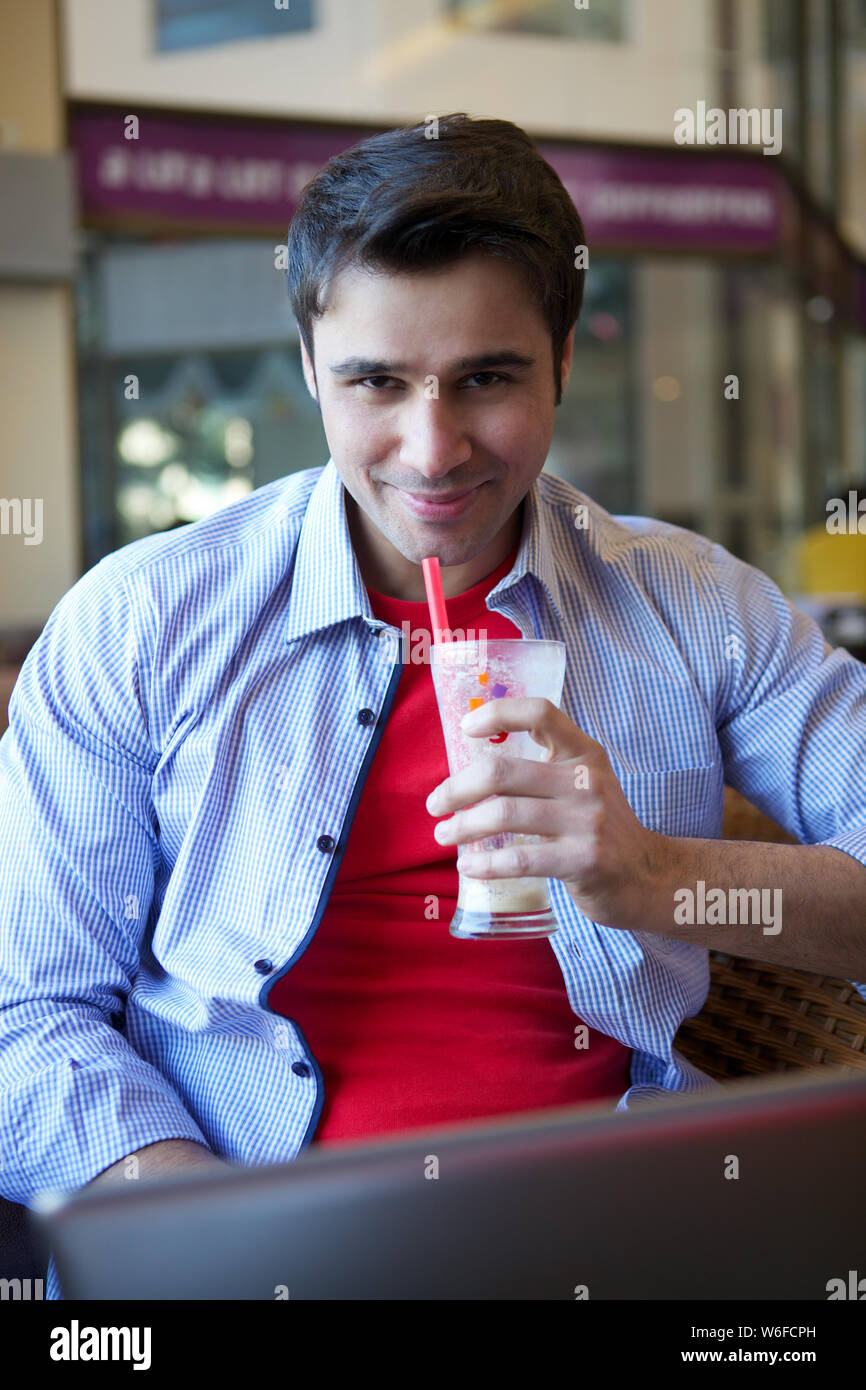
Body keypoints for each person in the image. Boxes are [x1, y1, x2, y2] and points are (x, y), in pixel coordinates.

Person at [1, 114, 865, 1302]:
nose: (431, 448)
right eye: (375, 382)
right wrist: (199, 1227)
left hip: (615, 1238)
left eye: (487, 378)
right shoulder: (142, 624)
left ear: (563, 358)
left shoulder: (692, 608)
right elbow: (26, 1014)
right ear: (309, 367)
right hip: (235, 1237)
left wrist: (656, 877)